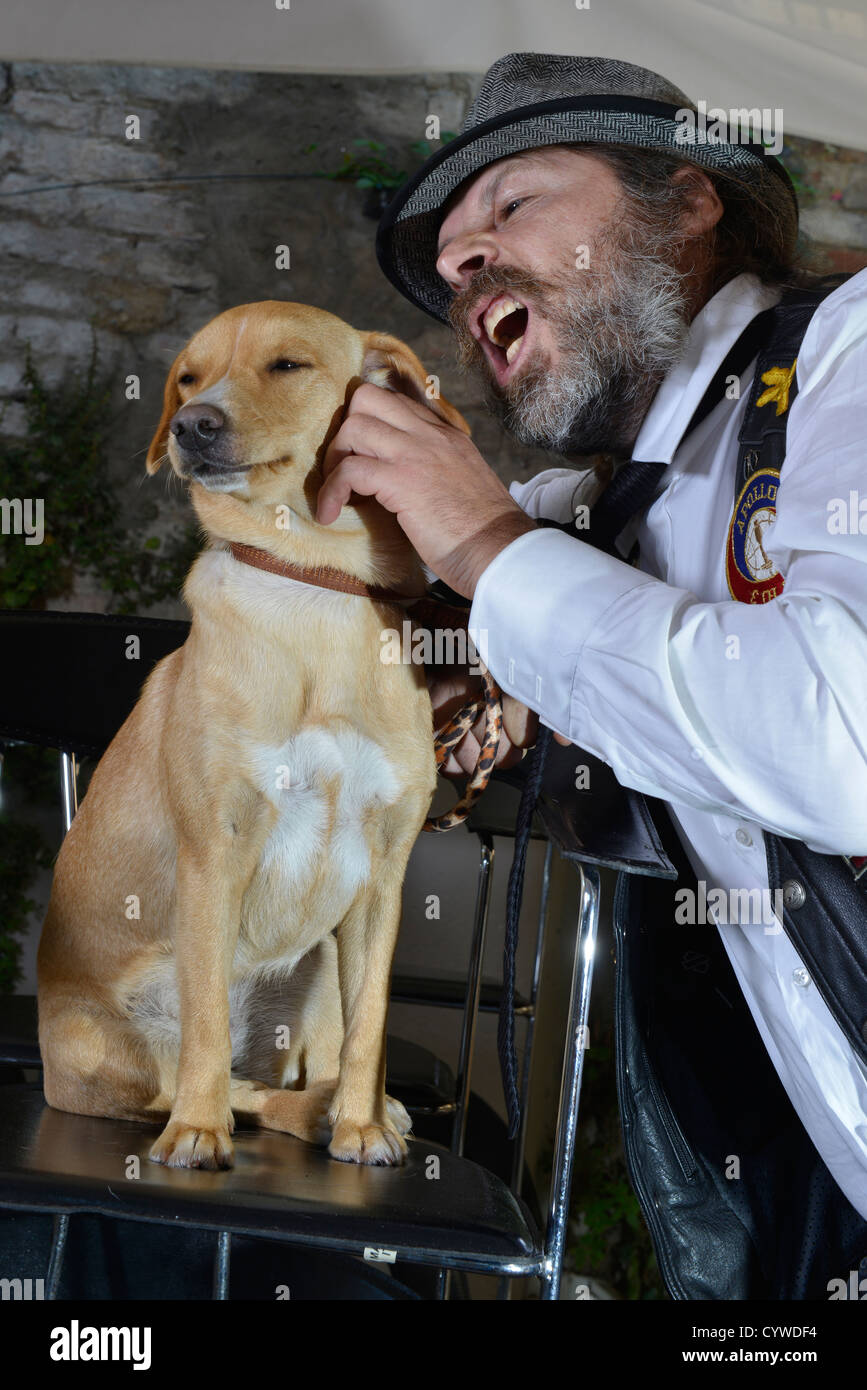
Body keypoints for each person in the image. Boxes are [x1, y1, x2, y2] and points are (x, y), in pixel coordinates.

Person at [315, 52, 867, 1299]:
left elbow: (847, 744)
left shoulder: (851, 348)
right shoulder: (595, 507)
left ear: (685, 198)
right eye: (450, 259)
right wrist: (439, 648)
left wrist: (488, 555)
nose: (463, 267)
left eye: (511, 205)